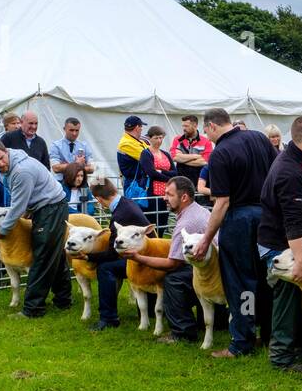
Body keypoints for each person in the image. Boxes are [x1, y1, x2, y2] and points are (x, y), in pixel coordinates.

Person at [191, 108, 278, 358]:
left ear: (210, 127)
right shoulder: (259, 138)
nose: (207, 136)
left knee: (242, 283)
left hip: (239, 220)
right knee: (266, 278)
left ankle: (242, 341)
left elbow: (222, 202)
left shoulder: (220, 153)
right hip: (266, 217)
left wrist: (206, 239)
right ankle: (270, 335)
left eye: (206, 131)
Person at [258, 116, 302, 371]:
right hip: (280, 245)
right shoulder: (290, 171)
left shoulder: (298, 162)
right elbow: (292, 220)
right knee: (286, 297)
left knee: (299, 295)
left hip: (289, 241)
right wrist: (299, 259)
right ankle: (281, 357)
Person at [126, 176, 222, 345]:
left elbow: (173, 264)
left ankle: (183, 331)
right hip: (216, 266)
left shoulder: (186, 223)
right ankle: (212, 321)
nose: (164, 198)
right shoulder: (197, 210)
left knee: (173, 279)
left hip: (212, 270)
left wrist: (137, 257)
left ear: (183, 197)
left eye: (169, 194)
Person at [0, 140, 71, 319]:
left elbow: (17, 207)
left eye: (1, 158)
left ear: (5, 150)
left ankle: (33, 309)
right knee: (55, 255)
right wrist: (30, 210)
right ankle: (63, 300)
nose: (0, 164)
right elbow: (20, 200)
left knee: (42, 257)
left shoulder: (22, 171)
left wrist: (3, 231)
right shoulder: (8, 169)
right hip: (46, 208)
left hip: (51, 209)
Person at [81, 179, 152, 331]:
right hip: (148, 255)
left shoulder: (120, 215)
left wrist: (89, 257)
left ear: (99, 199)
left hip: (143, 261)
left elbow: (113, 253)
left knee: (105, 268)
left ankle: (108, 318)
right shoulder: (126, 203)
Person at [50, 117, 95, 214]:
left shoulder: (84, 146)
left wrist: (65, 166)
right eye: (71, 130)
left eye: (77, 130)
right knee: (64, 210)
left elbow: (91, 168)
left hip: (81, 183)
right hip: (62, 185)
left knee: (88, 208)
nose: (74, 133)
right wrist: (78, 164)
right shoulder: (56, 145)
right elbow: (56, 168)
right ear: (64, 129)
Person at [144, 126, 175, 233]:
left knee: (163, 222)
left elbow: (175, 172)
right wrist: (168, 177)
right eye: (156, 138)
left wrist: (161, 171)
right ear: (150, 138)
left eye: (161, 138)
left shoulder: (166, 154)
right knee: (152, 222)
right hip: (153, 193)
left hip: (167, 194)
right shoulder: (146, 153)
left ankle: (160, 245)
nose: (159, 141)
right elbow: (152, 173)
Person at [169, 114, 212, 190]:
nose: (184, 128)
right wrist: (197, 156)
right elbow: (174, 157)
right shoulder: (178, 139)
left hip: (200, 181)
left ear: (195, 126)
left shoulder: (206, 141)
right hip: (181, 181)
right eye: (183, 126)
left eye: (186, 126)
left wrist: (182, 159)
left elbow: (205, 162)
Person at [116, 115, 152, 202]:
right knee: (136, 211)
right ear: (137, 127)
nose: (142, 129)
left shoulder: (135, 140)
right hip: (134, 183)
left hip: (139, 181)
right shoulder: (126, 143)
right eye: (141, 127)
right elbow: (149, 156)